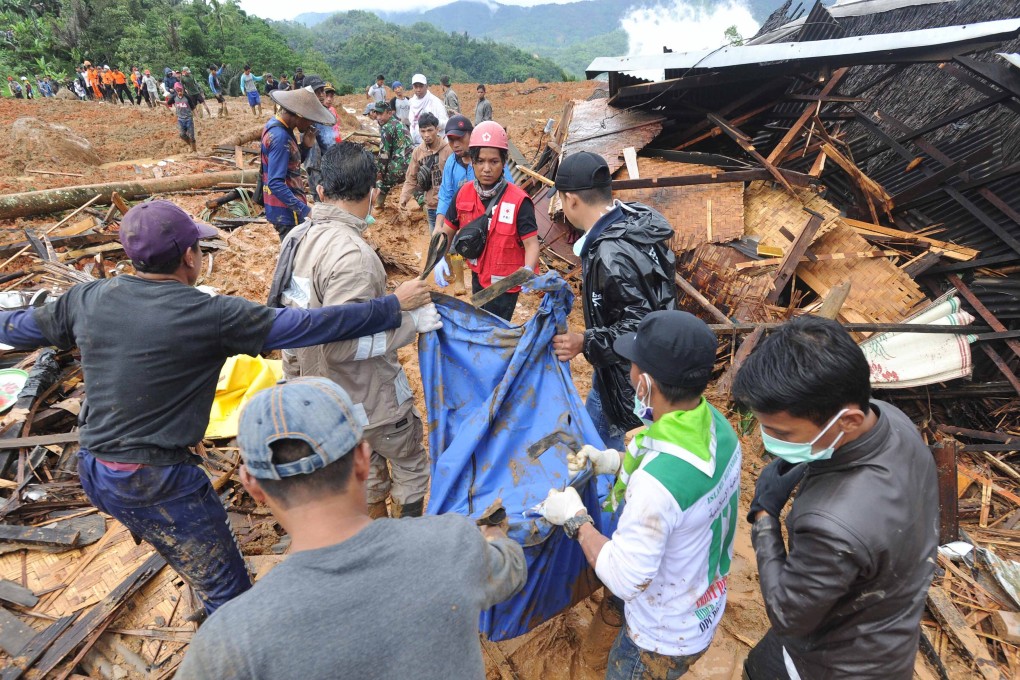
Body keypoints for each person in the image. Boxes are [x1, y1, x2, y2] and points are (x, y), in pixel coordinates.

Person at [0, 200, 433, 620]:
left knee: (187, 550)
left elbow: (17, 328)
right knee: (228, 590)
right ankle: (231, 634)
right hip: (157, 481)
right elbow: (309, 325)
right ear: (190, 257)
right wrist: (393, 305)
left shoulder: (88, 298)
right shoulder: (209, 315)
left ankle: (196, 569)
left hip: (95, 470)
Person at [175, 377, 526, 680]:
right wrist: (492, 534)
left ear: (252, 486)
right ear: (362, 459)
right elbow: (511, 568)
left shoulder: (229, 641)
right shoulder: (451, 544)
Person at [732, 316, 939, 680]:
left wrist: (764, 517)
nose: (768, 439)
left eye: (782, 433)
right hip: (883, 624)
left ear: (848, 421)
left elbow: (787, 615)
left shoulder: (832, 524)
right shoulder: (891, 421)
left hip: (836, 664)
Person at [540, 311, 740, 679]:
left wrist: (576, 520)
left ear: (644, 383)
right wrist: (613, 461)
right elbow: (673, 465)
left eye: (632, 365)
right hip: (701, 599)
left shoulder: (655, 487)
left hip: (660, 637)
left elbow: (625, 577)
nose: (629, 372)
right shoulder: (717, 426)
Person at [277, 142, 439, 518]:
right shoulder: (354, 258)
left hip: (322, 400)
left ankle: (376, 538)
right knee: (411, 467)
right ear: (372, 194)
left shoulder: (296, 239)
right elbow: (341, 347)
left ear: (321, 191)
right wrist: (410, 324)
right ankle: (405, 538)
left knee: (365, 475)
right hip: (370, 400)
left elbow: (290, 321)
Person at [551, 151, 677, 452]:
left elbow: (639, 326)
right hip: (642, 367)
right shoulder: (634, 220)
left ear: (571, 200)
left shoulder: (611, 253)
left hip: (626, 374)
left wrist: (585, 341)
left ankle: (608, 478)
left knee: (597, 448)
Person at [434, 121, 539, 321]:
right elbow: (447, 231)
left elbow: (531, 243)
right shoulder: (463, 194)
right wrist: (438, 258)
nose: (487, 169)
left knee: (496, 329)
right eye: (480, 161)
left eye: (494, 161)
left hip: (506, 285)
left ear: (504, 162)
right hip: (479, 277)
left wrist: (528, 269)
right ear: (472, 162)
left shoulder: (519, 201)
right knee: (481, 323)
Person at [433, 115, 514, 296]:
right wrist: (439, 224)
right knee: (456, 246)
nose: (455, 145)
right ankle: (461, 280)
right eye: (451, 140)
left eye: (460, 138)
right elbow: (446, 194)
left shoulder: (488, 159)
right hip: (463, 217)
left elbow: (508, 190)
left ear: (471, 135)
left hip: (489, 220)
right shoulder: (451, 163)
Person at [261, 86, 336, 239]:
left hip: (288, 207)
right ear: (299, 115)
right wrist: (305, 210)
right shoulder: (280, 137)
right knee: (294, 251)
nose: (311, 124)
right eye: (310, 119)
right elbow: (275, 183)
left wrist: (306, 146)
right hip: (288, 212)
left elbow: (291, 164)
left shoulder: (281, 128)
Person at [399, 112, 450, 235]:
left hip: (448, 205)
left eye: (430, 130)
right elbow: (411, 178)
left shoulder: (449, 150)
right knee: (435, 240)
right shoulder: (418, 152)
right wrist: (404, 198)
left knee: (450, 242)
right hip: (431, 205)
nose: (426, 135)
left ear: (437, 129)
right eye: (423, 131)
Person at [300, 75, 335, 202]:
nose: (321, 95)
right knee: (321, 198)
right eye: (317, 91)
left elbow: (329, 142)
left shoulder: (325, 113)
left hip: (328, 165)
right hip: (316, 167)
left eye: (322, 91)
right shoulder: (306, 116)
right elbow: (313, 157)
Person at [375, 101, 414, 210]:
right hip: (412, 164)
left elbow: (384, 155)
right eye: (377, 114)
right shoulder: (400, 124)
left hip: (398, 167)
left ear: (389, 113)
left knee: (381, 182)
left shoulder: (387, 127)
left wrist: (380, 173)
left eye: (381, 114)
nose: (378, 117)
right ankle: (426, 209)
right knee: (416, 187)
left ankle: (378, 206)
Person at [407, 73, 447, 146]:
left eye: (421, 86)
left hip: (434, 145)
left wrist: (435, 122)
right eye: (416, 87)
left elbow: (445, 123)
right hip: (416, 144)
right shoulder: (411, 102)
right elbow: (412, 122)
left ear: (426, 86)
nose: (418, 89)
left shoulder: (435, 102)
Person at [169, 82, 197, 153]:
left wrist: (197, 117)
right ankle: (190, 145)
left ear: (183, 90)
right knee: (182, 134)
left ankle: (194, 150)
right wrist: (159, 102)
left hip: (188, 118)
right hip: (180, 119)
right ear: (176, 91)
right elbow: (168, 103)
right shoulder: (174, 97)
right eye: (178, 91)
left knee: (191, 136)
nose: (180, 92)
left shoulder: (187, 97)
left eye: (181, 91)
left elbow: (193, 107)